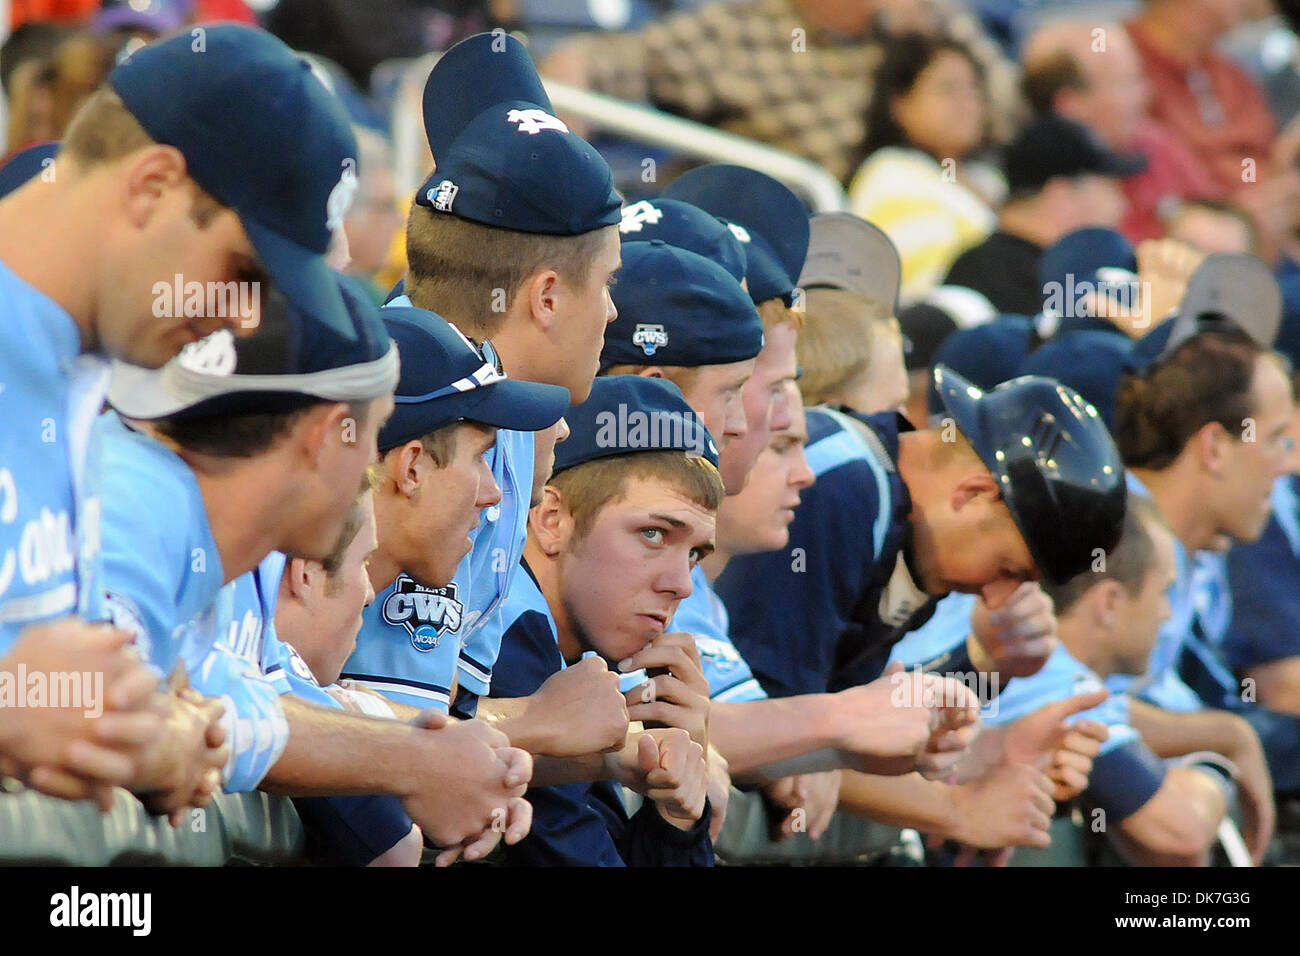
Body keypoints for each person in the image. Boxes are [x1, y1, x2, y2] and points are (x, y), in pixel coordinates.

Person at [0, 23, 359, 805]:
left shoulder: (84, 376)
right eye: (241, 272)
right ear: (153, 185)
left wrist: (150, 737)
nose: (236, 322)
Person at [343, 32, 623, 726]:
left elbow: (454, 715)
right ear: (548, 297)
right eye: (609, 283)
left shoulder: (512, 419)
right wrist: (544, 731)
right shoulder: (419, 403)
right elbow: (382, 720)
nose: (614, 310)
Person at [492, 375, 727, 865]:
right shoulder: (506, 632)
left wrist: (677, 817)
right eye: (654, 534)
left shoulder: (579, 658)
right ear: (551, 519)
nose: (682, 584)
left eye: (695, 554)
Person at [541, 0, 1020, 183]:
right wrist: (560, 118)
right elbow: (601, 60)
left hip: (927, 200)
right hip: (797, 227)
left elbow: (1010, 112)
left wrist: (928, 24)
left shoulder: (926, 20)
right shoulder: (739, 27)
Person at [1020, 18, 1225, 244]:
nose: (1146, 94)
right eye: (1127, 82)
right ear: (1071, 104)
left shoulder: (1155, 143)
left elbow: (1222, 221)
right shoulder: (1049, 189)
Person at [847, 32, 998, 304]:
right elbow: (922, 291)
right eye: (948, 89)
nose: (966, 103)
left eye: (974, 89)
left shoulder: (991, 180)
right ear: (899, 104)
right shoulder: (891, 173)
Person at [943, 113, 1145, 316]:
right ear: (1062, 196)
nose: (1122, 205)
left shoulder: (996, 265)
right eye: (1111, 188)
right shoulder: (995, 276)